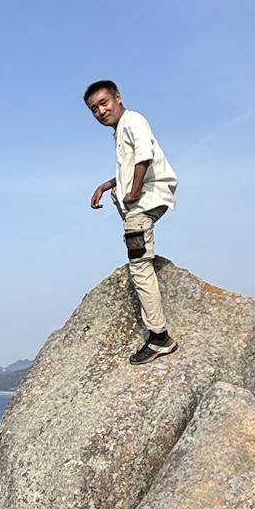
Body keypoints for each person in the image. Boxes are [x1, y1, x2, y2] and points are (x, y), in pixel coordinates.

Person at [84, 80, 179, 364]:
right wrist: (108, 184)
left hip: (143, 204)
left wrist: (134, 190)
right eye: (94, 109)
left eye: (104, 103)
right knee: (140, 258)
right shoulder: (122, 129)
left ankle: (160, 338)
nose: (100, 111)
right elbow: (131, 163)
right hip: (144, 202)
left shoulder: (133, 120)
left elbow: (143, 157)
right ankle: (159, 335)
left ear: (118, 97)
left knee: (138, 265)